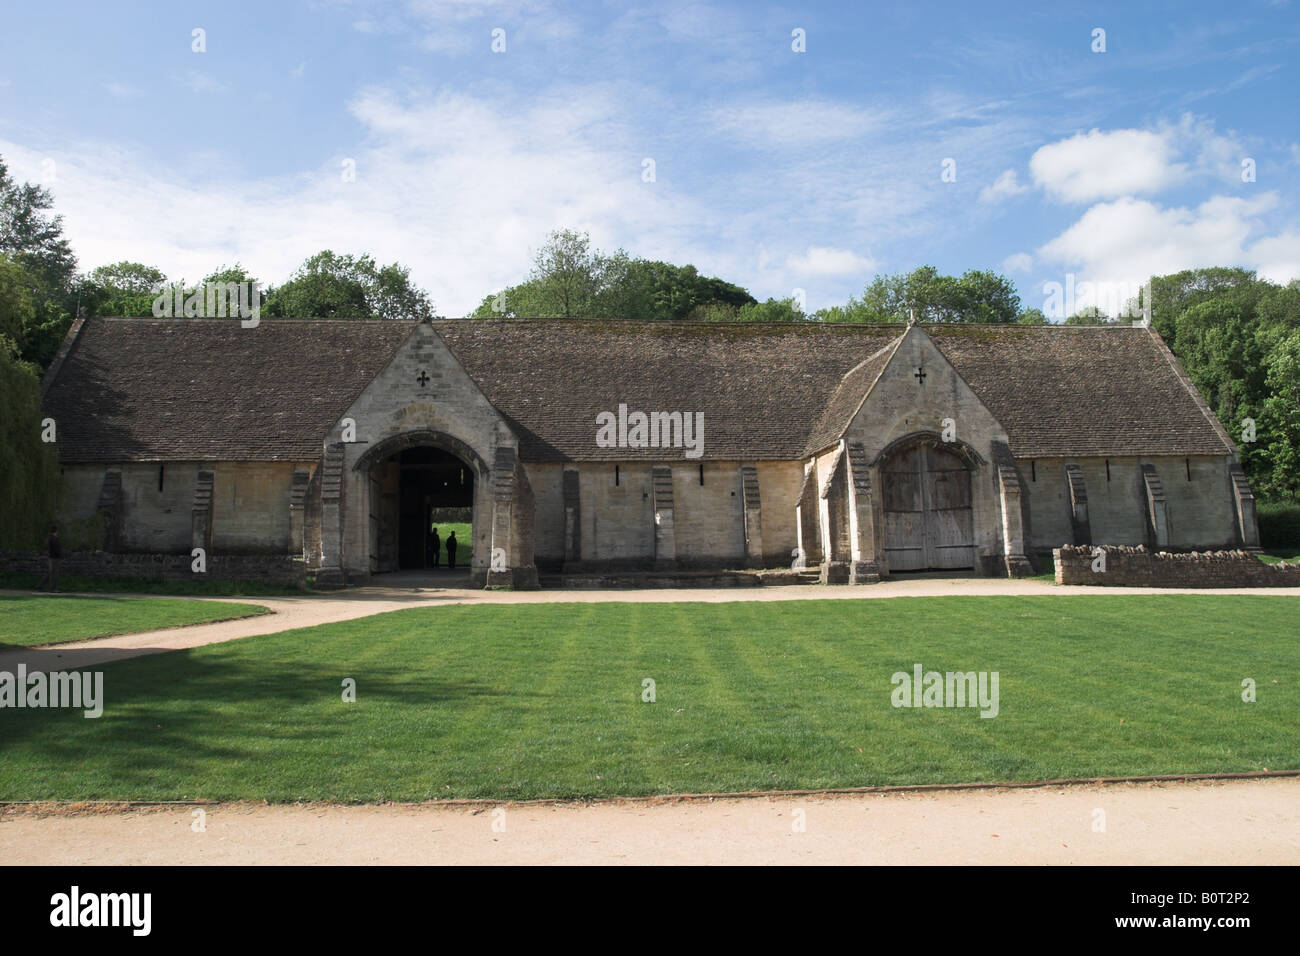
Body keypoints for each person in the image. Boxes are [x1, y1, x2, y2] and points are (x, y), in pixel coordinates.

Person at [41, 524, 62, 593]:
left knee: (51, 573)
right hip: (54, 557)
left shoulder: (50, 538)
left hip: (52, 557)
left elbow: (46, 546)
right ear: (56, 531)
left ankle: (41, 585)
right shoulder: (53, 538)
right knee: (54, 574)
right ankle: (53, 589)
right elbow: (56, 548)